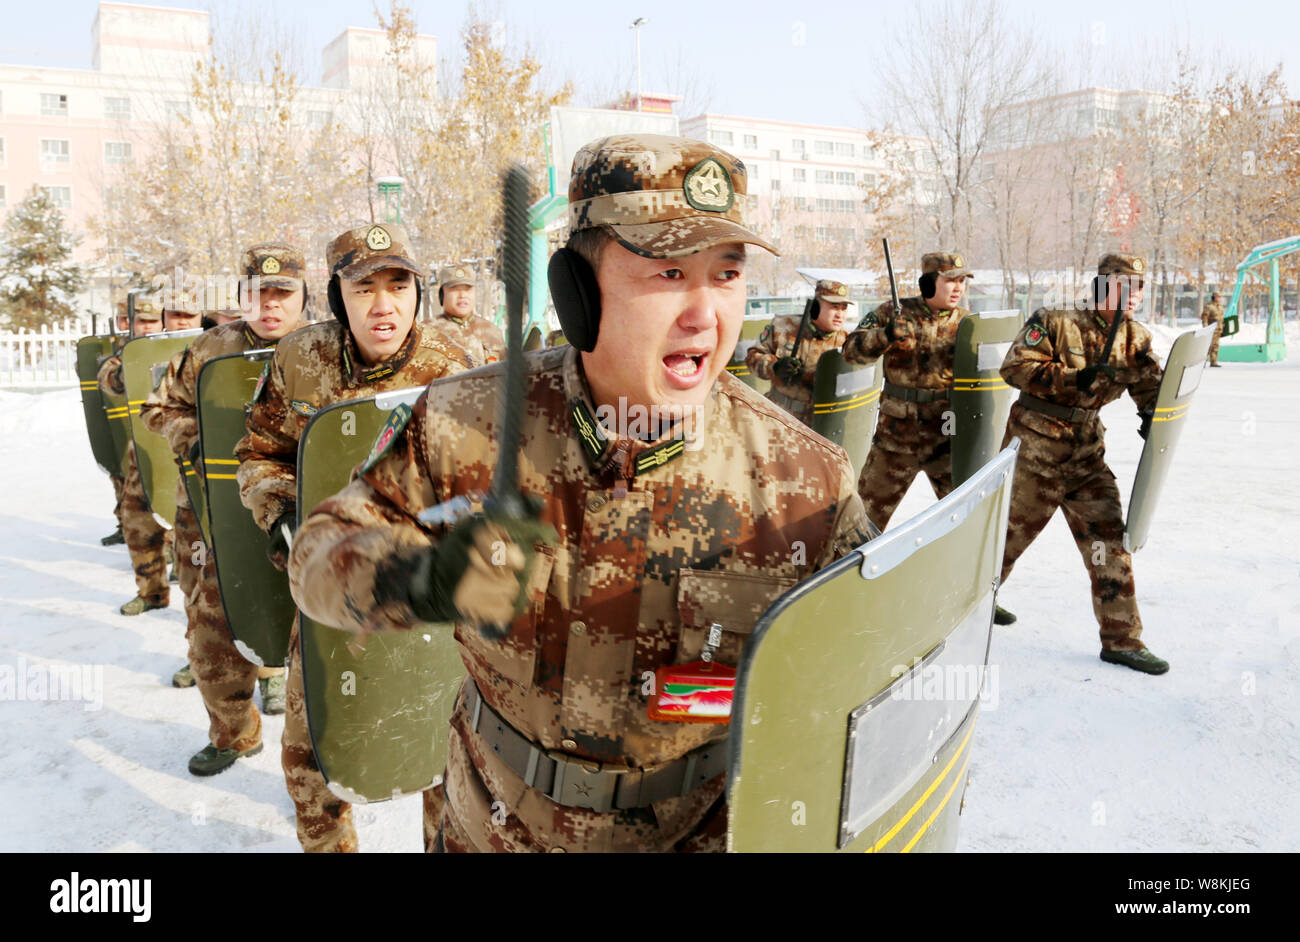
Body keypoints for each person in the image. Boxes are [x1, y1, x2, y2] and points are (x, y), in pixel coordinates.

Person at [286, 133, 875, 853]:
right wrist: (423, 577)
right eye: (666, 273)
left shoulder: (807, 482)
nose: (704, 315)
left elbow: (862, 697)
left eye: (725, 275)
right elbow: (315, 558)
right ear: (578, 289)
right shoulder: (464, 423)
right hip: (490, 831)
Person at [235, 223, 471, 850]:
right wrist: (283, 514)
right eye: (365, 287)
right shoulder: (301, 360)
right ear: (339, 296)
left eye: (399, 285)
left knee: (447, 751)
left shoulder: (457, 365)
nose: (384, 304)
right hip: (333, 587)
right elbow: (259, 454)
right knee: (310, 760)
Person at [141, 246, 309, 766]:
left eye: (283, 294)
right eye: (258, 294)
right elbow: (157, 407)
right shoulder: (210, 349)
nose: (270, 305)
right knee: (212, 636)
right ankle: (235, 733)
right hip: (217, 513)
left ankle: (320, 747)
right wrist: (195, 436)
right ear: (241, 298)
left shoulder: (326, 349)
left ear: (304, 298)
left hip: (301, 514)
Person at [996, 253, 1168, 674]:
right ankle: (959, 611)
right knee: (1002, 543)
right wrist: (1071, 379)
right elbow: (1014, 368)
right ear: (1102, 287)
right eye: (1125, 284)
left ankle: (1122, 640)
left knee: (1109, 544)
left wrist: (1156, 416)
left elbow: (1152, 389)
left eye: (1140, 286)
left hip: (1087, 454)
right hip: (1035, 450)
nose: (1134, 294)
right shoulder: (1055, 320)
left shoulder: (1135, 338)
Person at [842, 252, 973, 533]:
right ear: (928, 283)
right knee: (860, 522)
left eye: (962, 281)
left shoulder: (968, 322)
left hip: (946, 441)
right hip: (895, 440)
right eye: (950, 281)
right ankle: (842, 573)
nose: (958, 288)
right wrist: (885, 335)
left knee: (965, 523)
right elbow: (850, 352)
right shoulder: (892, 313)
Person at [97, 292, 171, 615]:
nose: (146, 327)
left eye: (152, 320)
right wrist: (128, 370)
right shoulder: (128, 355)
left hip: (189, 454)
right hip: (144, 452)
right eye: (140, 321)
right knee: (137, 521)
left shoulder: (194, 349)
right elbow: (107, 379)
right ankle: (152, 592)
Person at [744, 279, 851, 425]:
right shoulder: (783, 326)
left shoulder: (848, 344)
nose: (840, 315)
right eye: (834, 307)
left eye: (844, 308)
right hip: (776, 418)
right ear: (816, 306)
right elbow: (752, 357)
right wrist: (774, 367)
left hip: (816, 428)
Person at [432, 264, 505, 366]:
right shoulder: (427, 331)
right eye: (455, 289)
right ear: (442, 294)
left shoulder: (492, 331)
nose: (462, 295)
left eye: (467, 289)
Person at [1201, 292, 1224, 367]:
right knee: (1208, 346)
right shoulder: (1209, 306)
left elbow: (1221, 318)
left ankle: (1213, 362)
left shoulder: (1220, 306)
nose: (1220, 298)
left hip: (1218, 330)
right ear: (1214, 297)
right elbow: (1204, 318)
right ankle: (1202, 362)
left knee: (1215, 346)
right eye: (1218, 297)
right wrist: (1206, 328)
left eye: (1220, 297)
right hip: (1211, 330)